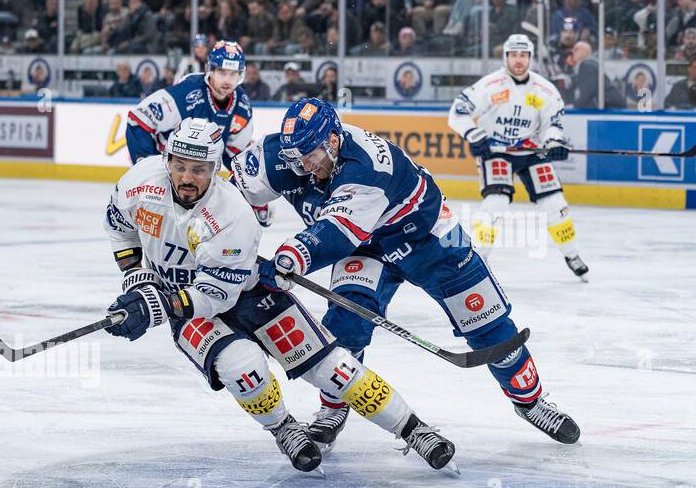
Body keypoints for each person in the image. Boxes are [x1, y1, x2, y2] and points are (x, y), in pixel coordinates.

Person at [102, 119, 457, 472]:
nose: (186, 178)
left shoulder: (233, 214)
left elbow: (217, 296)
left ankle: (413, 429)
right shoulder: (137, 184)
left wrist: (160, 306)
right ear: (167, 159)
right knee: (243, 368)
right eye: (179, 166)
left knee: (334, 367)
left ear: (214, 168)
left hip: (240, 291)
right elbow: (121, 231)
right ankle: (284, 428)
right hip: (188, 307)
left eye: (198, 169)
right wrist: (138, 279)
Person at [232, 98, 581, 447]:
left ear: (334, 140)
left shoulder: (367, 168)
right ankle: (333, 406)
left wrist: (292, 257)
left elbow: (336, 233)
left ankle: (530, 401)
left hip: (430, 235)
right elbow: (226, 196)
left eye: (312, 156)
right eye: (295, 158)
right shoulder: (278, 155)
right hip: (366, 246)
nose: (305, 166)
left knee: (490, 326)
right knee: (345, 325)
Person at [447, 33, 588, 280]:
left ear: (531, 57)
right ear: (506, 57)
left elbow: (552, 125)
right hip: (497, 151)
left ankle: (572, 253)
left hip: (531, 152)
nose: (518, 60)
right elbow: (457, 112)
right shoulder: (490, 85)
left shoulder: (545, 90)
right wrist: (473, 134)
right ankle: (478, 259)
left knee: (555, 205)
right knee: (495, 204)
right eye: (513, 55)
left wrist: (554, 142)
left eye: (523, 55)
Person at [126, 39, 254, 164]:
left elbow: (237, 154)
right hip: (166, 167)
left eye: (233, 74)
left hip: (203, 175)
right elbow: (139, 119)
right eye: (222, 72)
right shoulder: (187, 92)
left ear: (240, 75)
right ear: (211, 70)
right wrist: (147, 168)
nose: (227, 80)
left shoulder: (242, 104)